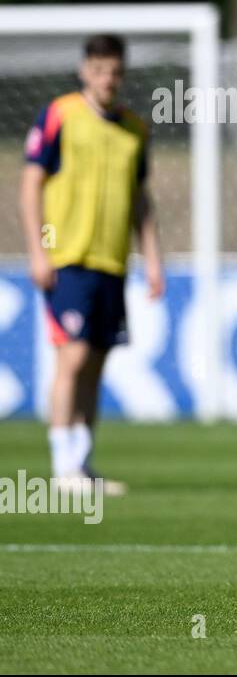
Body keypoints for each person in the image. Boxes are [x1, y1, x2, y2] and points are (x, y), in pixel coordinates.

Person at [18, 33, 164, 495]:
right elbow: (30, 184)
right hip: (68, 258)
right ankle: (63, 468)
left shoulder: (133, 130)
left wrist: (154, 258)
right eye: (99, 70)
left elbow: (141, 200)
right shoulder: (60, 114)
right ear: (85, 70)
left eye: (115, 72)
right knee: (73, 356)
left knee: (97, 362)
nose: (107, 79)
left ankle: (82, 463)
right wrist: (40, 249)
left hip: (111, 262)